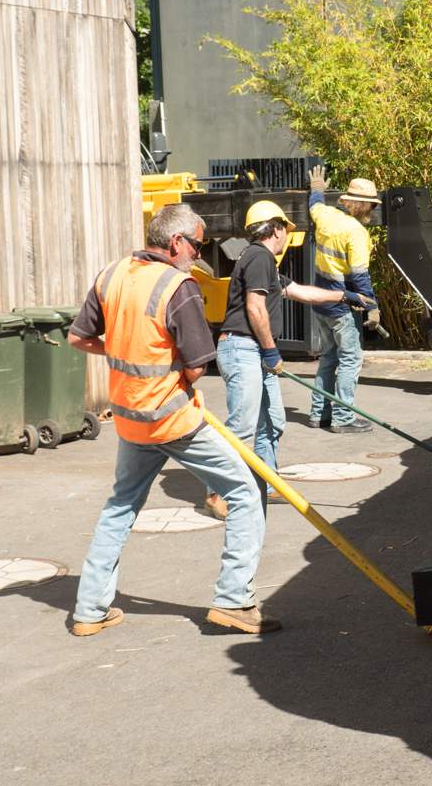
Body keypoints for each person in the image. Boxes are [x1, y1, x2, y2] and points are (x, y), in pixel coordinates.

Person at [67, 203, 278, 636]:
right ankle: (234, 600)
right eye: (197, 246)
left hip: (130, 419)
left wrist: (122, 352)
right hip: (172, 418)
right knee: (244, 494)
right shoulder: (177, 286)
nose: (197, 257)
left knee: (120, 508)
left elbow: (79, 337)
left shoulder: (111, 275)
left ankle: (89, 609)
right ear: (177, 242)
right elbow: (199, 365)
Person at [215, 199, 350, 502]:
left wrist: (343, 295)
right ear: (275, 229)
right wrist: (270, 350)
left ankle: (267, 483)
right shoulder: (259, 258)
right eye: (285, 230)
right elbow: (255, 307)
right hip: (243, 348)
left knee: (273, 421)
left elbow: (300, 291)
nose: (287, 236)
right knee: (243, 424)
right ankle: (217, 491)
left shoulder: (262, 262)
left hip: (253, 350)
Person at [306, 167, 383, 433]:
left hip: (320, 301)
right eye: (371, 205)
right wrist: (372, 308)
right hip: (341, 304)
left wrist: (317, 188)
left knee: (328, 357)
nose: (372, 210)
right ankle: (343, 418)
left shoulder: (326, 216)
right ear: (362, 205)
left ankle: (319, 414)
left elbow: (315, 204)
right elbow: (361, 276)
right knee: (351, 359)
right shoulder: (356, 231)